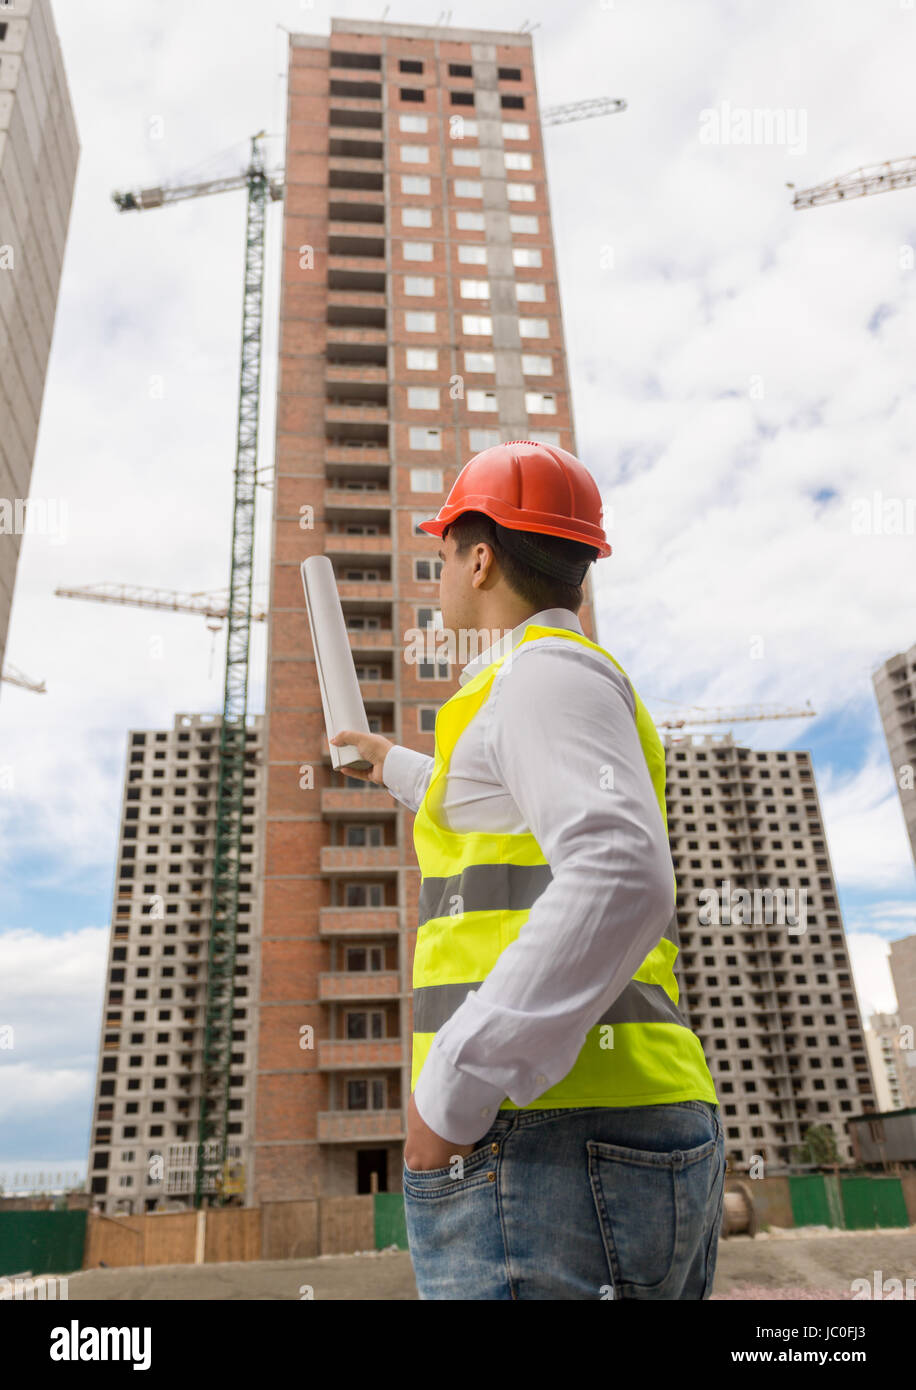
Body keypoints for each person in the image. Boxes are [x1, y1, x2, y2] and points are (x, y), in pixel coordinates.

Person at [330, 440, 725, 1300]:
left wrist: (454, 1090)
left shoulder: (542, 677)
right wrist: (387, 762)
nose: (436, 574)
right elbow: (491, 806)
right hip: (597, 1128)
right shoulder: (540, 681)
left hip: (549, 1140)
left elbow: (621, 872)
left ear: (481, 556)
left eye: (441, 552)